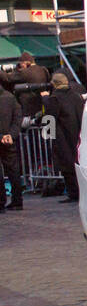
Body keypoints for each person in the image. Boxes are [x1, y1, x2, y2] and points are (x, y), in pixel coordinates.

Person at [39, 72, 85, 203]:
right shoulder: (76, 96)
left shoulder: (54, 98)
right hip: (78, 134)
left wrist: (45, 99)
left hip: (63, 137)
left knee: (67, 165)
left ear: (54, 84)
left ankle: (73, 193)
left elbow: (50, 118)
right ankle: (79, 192)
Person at [0, 82, 20, 212]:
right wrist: (11, 135)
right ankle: (18, 201)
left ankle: (1, 203)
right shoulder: (10, 97)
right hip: (9, 139)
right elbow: (17, 118)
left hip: (4, 137)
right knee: (13, 171)